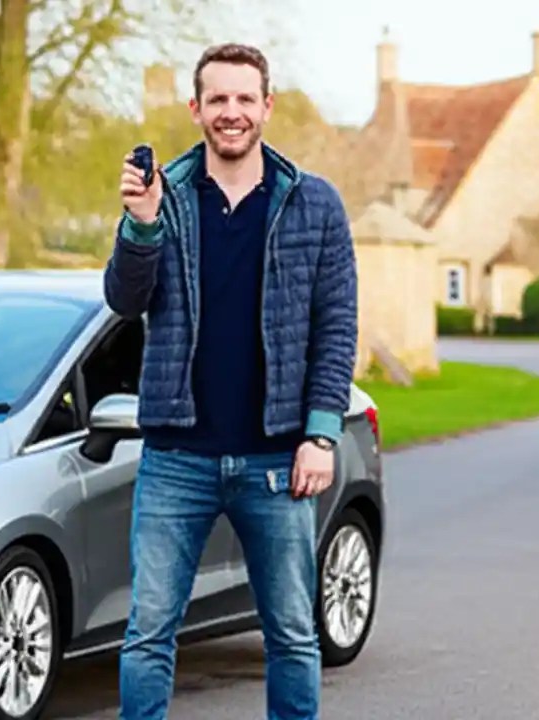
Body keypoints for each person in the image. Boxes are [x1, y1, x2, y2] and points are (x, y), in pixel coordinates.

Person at [104, 42, 358, 720]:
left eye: (246, 98)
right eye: (217, 99)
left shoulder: (315, 205)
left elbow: (336, 328)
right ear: (195, 110)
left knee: (292, 636)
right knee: (148, 636)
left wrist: (321, 436)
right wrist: (140, 224)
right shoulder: (167, 198)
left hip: (278, 459)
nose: (232, 112)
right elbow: (125, 302)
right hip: (176, 460)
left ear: (267, 107)